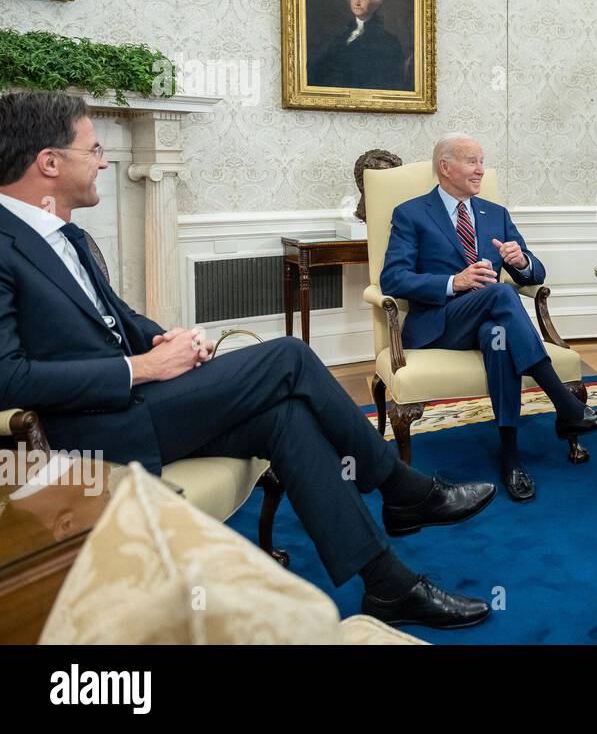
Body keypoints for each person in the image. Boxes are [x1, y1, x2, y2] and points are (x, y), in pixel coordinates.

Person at [0, 92, 498, 630]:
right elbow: (7, 377)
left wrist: (168, 338)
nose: (102, 160)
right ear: (49, 163)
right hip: (92, 434)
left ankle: (388, 585)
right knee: (288, 355)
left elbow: (112, 317)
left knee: (285, 417)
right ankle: (401, 489)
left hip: (136, 405)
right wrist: (141, 369)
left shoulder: (60, 233)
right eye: (93, 149)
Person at [379, 134, 597, 502]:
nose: (481, 169)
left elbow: (535, 272)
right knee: (501, 294)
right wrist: (453, 282)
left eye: (481, 160)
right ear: (445, 167)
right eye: (472, 161)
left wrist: (521, 261)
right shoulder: (411, 213)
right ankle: (565, 404)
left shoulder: (496, 214)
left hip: (490, 321)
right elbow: (392, 278)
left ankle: (511, 458)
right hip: (441, 323)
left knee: (500, 335)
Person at [308, 0, 406, 91]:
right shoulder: (341, 36)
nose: (357, 2)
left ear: (375, 3)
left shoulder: (388, 41)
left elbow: (387, 82)